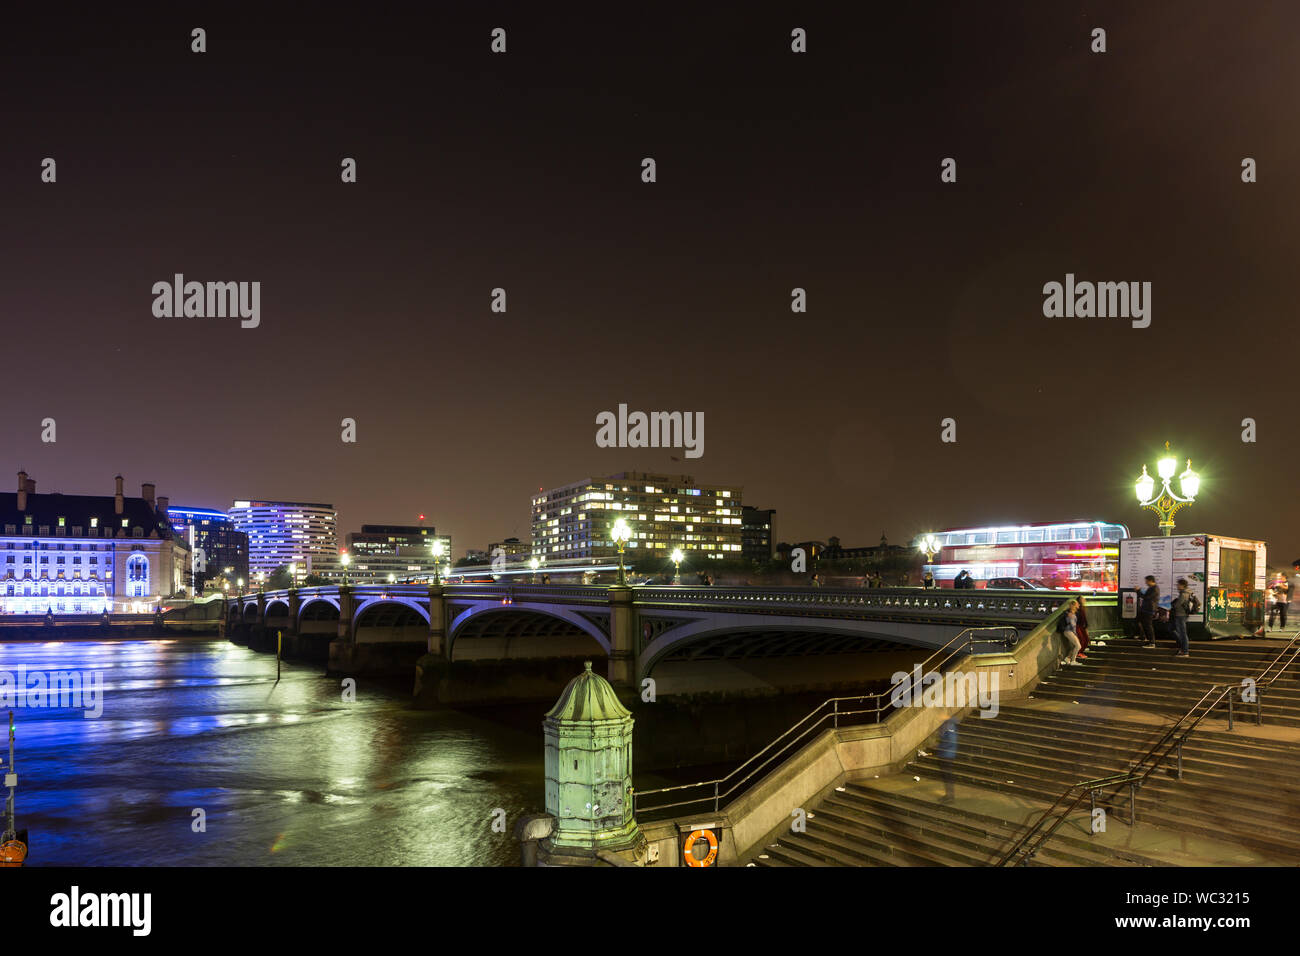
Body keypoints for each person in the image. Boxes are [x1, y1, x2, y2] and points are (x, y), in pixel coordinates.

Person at [1169, 578, 1195, 657]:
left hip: (1181, 615)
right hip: (1182, 615)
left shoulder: (1184, 594)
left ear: (1182, 585)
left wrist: (1172, 605)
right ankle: (1183, 649)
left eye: (1178, 585)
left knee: (1183, 633)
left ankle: (1185, 651)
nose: (1177, 586)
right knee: (1180, 632)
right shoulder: (1187, 593)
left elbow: (1178, 605)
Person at [937, 718, 959, 803]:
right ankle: (948, 795)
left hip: (947, 755)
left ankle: (950, 797)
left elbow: (951, 741)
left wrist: (942, 747)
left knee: (948, 777)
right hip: (944, 755)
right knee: (946, 777)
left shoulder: (950, 725)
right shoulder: (947, 725)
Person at [1137, 575, 1159, 648]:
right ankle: (1146, 638)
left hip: (1149, 610)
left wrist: (1138, 591)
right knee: (1144, 624)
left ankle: (1152, 642)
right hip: (1146, 609)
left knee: (1148, 626)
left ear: (1150, 581)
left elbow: (1147, 598)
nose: (1145, 582)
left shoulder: (1154, 588)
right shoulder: (1152, 588)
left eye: (1146, 581)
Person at [1060, 599, 1082, 665]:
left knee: (1074, 646)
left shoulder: (1073, 613)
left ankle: (1068, 658)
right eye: (1077, 604)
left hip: (1069, 631)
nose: (1079, 605)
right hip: (1068, 631)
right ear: (1074, 605)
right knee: (1078, 646)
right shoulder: (1070, 614)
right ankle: (1073, 661)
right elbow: (1072, 625)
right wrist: (1075, 634)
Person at [1075, 593, 1091, 660]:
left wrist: (1086, 626)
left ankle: (1081, 652)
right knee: (1082, 639)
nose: (1084, 599)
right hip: (1078, 626)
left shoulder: (1083, 608)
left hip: (1082, 626)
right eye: (1082, 599)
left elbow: (1084, 618)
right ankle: (1079, 652)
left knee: (1086, 640)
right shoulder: (1078, 608)